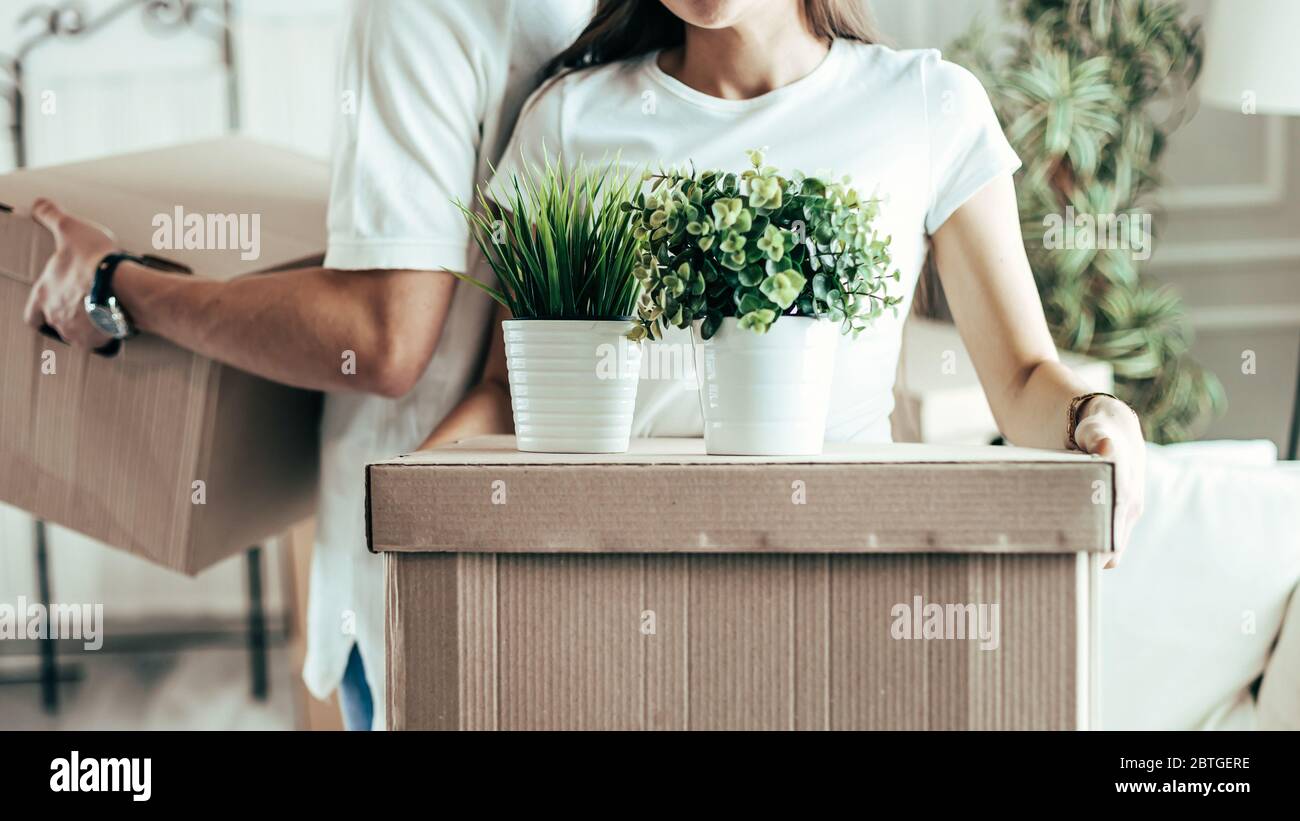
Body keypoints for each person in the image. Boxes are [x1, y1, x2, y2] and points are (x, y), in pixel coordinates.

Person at [22, 0, 595, 730]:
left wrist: (113, 283)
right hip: (561, 551)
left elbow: (384, 336)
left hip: (423, 570)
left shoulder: (418, 13)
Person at [428, 0, 1146, 561]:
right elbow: (515, 394)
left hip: (843, 558)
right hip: (621, 563)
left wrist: (1097, 416)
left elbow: (1022, 379)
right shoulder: (569, 120)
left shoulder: (929, 104)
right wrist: (412, 486)